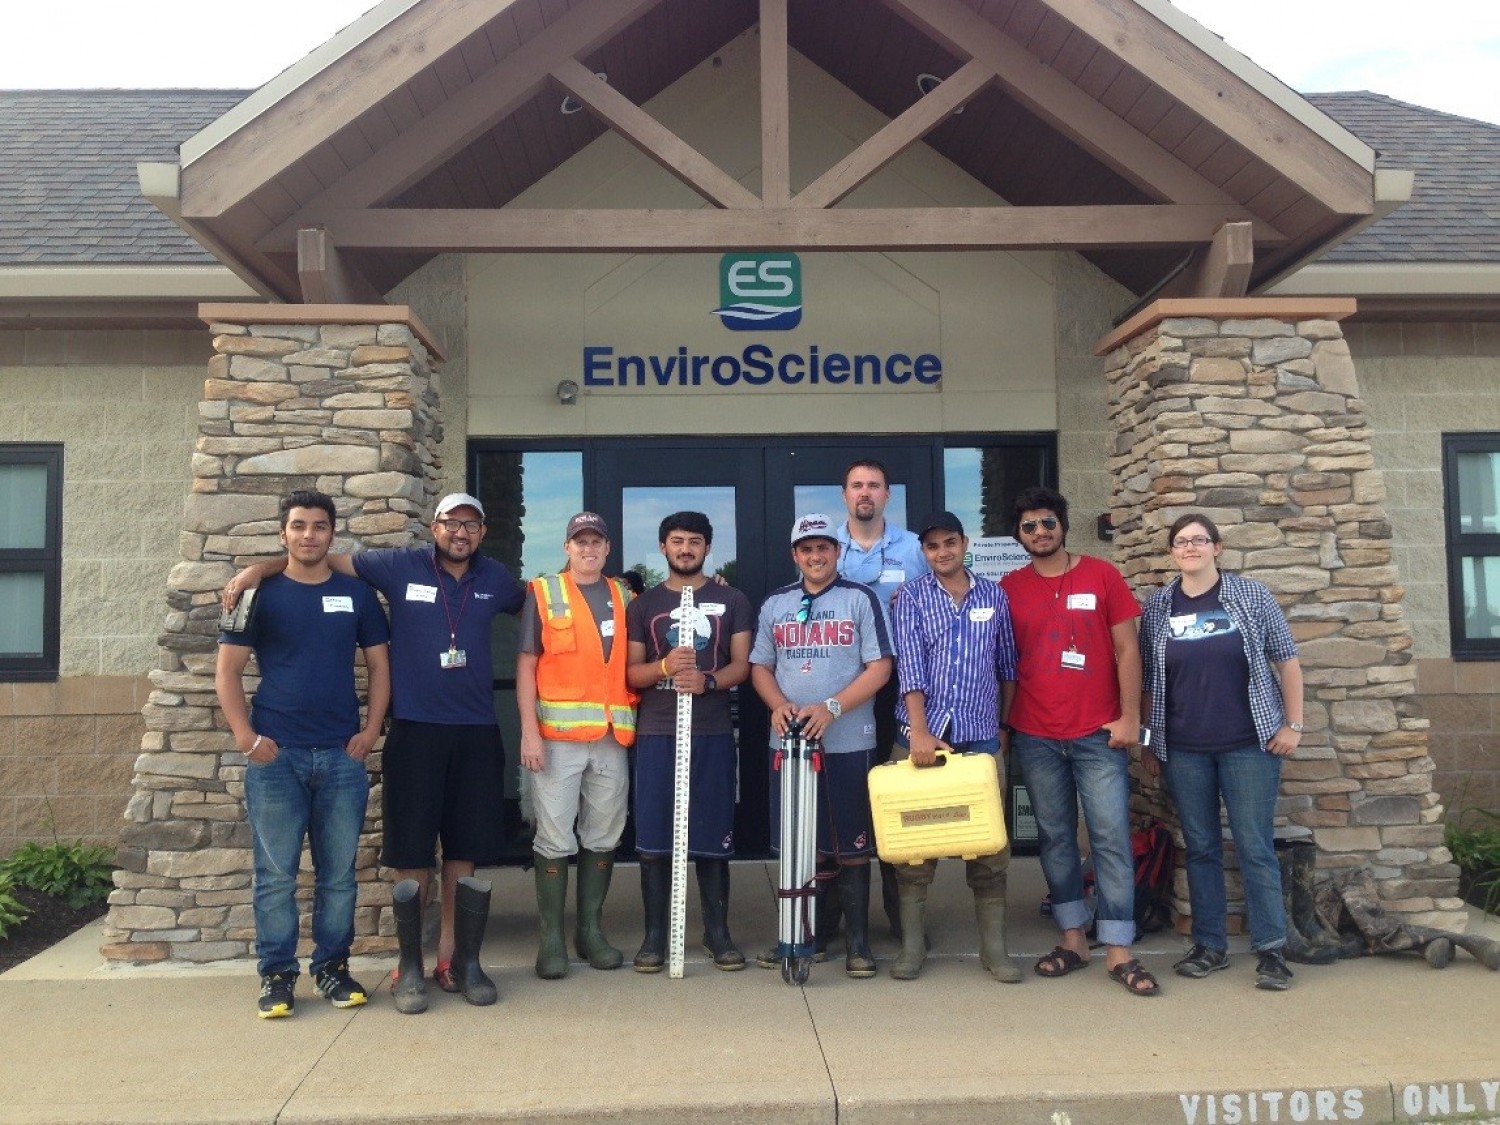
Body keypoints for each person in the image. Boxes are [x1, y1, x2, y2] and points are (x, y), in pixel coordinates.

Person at [222, 491, 524, 1012]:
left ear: (481, 532)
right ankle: (405, 967)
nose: (461, 533)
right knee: (405, 854)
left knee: (459, 856)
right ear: (434, 527)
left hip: (473, 732)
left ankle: (456, 961)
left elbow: (548, 607)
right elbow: (312, 558)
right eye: (451, 523)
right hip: (410, 733)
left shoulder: (495, 579)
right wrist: (257, 569)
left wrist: (624, 594)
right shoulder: (395, 566)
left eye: (471, 525)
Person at [215, 489, 391, 1018]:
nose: (308, 535)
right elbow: (227, 672)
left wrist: (371, 729)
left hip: (341, 757)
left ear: (332, 534)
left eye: (318, 526)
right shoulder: (258, 595)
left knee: (339, 876)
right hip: (278, 758)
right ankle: (276, 977)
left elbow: (381, 668)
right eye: (298, 526)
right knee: (276, 876)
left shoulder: (356, 595)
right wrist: (247, 738)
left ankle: (332, 970)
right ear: (283, 534)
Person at [998, 486, 1158, 996]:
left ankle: (1118, 949)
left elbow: (1129, 650)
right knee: (1056, 838)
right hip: (1037, 734)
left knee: (1110, 836)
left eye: (1047, 523)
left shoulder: (1102, 574)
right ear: (1018, 535)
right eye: (1028, 526)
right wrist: (1004, 726)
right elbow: (1004, 666)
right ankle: (1073, 940)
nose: (1039, 533)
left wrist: (1131, 718)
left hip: (1098, 734)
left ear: (1063, 525)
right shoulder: (1008, 587)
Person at [1138, 513, 1305, 991]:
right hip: (1184, 750)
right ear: (1173, 552)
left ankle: (1272, 951)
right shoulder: (1158, 608)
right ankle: (1209, 946)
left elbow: (1287, 661)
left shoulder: (1251, 596)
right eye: (1181, 542)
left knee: (1254, 848)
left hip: (1249, 745)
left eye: (1199, 540)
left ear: (1217, 548)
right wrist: (1151, 742)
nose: (1190, 548)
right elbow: (1151, 681)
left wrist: (1292, 724)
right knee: (1204, 848)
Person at [751, 512, 893, 977]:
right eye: (807, 548)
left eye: (824, 547)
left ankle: (857, 944)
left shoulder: (860, 598)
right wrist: (776, 705)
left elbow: (879, 667)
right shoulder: (776, 603)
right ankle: (801, 937)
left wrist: (832, 707)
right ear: (796, 555)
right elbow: (760, 666)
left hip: (849, 740)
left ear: (837, 552)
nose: (816, 555)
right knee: (801, 846)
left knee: (851, 845)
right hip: (790, 744)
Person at [889, 512, 1020, 982]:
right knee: (914, 846)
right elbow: (910, 668)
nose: (942, 552)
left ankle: (995, 951)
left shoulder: (994, 595)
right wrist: (919, 733)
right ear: (923, 552)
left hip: (981, 737)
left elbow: (1007, 665)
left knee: (989, 847)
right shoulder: (911, 597)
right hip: (920, 738)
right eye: (932, 546)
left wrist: (1003, 726)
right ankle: (911, 949)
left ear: (964, 543)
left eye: (950, 542)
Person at [625, 511, 753, 972]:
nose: (685, 549)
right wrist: (665, 668)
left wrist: (708, 681)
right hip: (658, 731)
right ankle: (655, 936)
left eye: (694, 541)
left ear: (706, 547)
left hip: (713, 731)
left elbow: (743, 664)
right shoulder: (643, 605)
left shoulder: (731, 598)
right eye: (676, 541)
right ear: (663, 547)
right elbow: (632, 673)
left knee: (712, 831)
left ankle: (717, 933)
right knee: (655, 835)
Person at [516, 511, 638, 980]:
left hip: (611, 738)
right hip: (557, 741)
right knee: (553, 835)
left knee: (605, 832)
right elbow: (526, 664)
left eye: (596, 542)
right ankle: (551, 939)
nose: (589, 549)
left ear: (607, 549)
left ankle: (589, 930)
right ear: (567, 547)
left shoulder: (625, 596)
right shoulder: (544, 593)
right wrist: (529, 732)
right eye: (580, 542)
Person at [833, 458, 929, 937]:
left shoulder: (913, 549)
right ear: (845, 495)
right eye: (856, 486)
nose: (865, 493)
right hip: (843, 687)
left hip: (900, 688)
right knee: (842, 799)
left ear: (888, 495)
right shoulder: (828, 548)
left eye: (874, 485)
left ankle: (902, 919)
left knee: (898, 798)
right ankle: (833, 919)